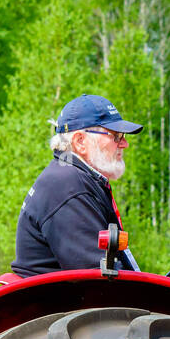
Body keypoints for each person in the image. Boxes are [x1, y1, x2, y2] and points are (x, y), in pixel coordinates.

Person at [12, 94, 144, 276]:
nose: (125, 144)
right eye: (115, 136)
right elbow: (97, 278)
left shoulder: (72, 176)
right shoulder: (68, 187)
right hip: (55, 302)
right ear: (80, 141)